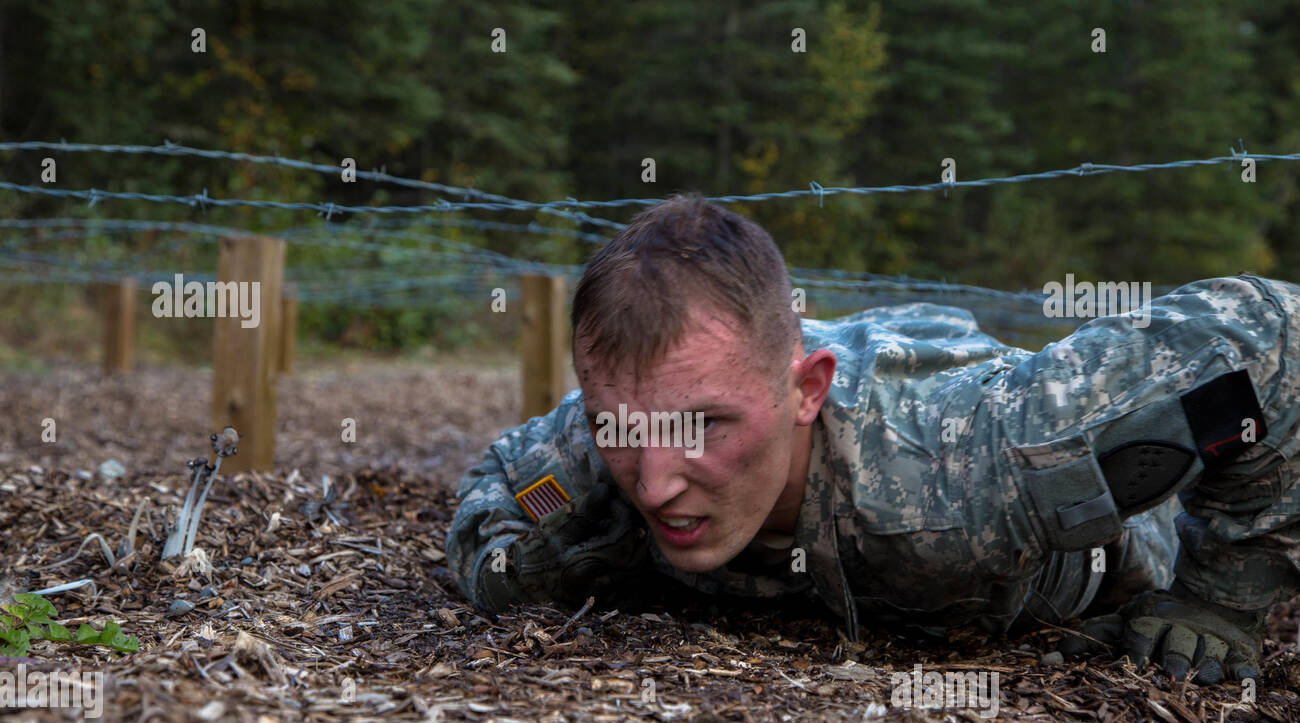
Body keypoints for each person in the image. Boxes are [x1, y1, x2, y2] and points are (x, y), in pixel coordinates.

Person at [447, 194, 1300, 686]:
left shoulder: (970, 461)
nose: (657, 482)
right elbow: (499, 492)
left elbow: (1268, 338)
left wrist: (1219, 600)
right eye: (623, 427)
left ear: (805, 390)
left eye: (705, 427)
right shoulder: (608, 443)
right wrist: (539, 568)